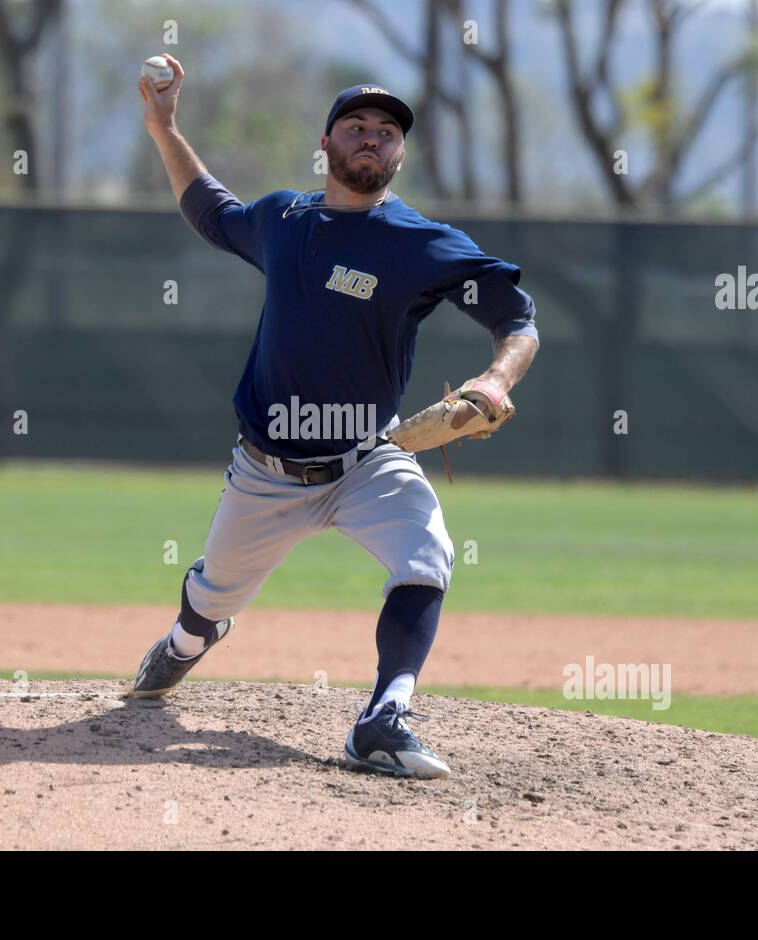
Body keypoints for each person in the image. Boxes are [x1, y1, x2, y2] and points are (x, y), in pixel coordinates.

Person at [130, 54, 538, 779]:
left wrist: (497, 379)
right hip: (266, 470)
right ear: (325, 145)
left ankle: (383, 719)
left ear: (400, 152)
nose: (372, 137)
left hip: (367, 459)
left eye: (387, 130)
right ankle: (188, 642)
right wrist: (164, 128)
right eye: (355, 126)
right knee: (207, 605)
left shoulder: (420, 243)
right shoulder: (285, 221)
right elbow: (212, 211)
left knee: (427, 556)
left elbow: (518, 319)